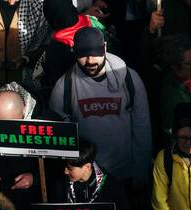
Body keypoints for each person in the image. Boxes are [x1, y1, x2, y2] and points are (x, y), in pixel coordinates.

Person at [50, 26, 152, 187]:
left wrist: (141, 174)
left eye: (95, 53)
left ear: (104, 47)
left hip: (124, 174)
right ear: (74, 51)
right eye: (83, 55)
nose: (90, 61)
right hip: (86, 177)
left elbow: (142, 129)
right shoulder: (64, 87)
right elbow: (60, 140)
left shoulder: (130, 79)